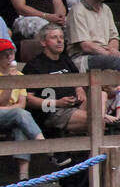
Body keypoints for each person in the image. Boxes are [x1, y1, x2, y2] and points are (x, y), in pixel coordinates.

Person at [23, 25, 88, 159]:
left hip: (75, 106)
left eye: (61, 37)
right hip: (52, 112)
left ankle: (76, 156)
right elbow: (28, 99)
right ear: (43, 42)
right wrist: (57, 103)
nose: (60, 41)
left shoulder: (66, 60)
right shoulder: (34, 66)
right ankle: (81, 157)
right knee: (96, 121)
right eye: (54, 37)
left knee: (100, 96)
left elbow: (78, 81)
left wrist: (79, 89)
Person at [0, 38, 43, 182]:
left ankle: (23, 177)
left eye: (10, 54)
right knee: (20, 114)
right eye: (4, 54)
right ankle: (43, 144)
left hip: (13, 115)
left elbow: (22, 104)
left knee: (21, 125)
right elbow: (2, 103)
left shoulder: (20, 76)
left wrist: (9, 109)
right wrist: (9, 83)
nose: (8, 58)